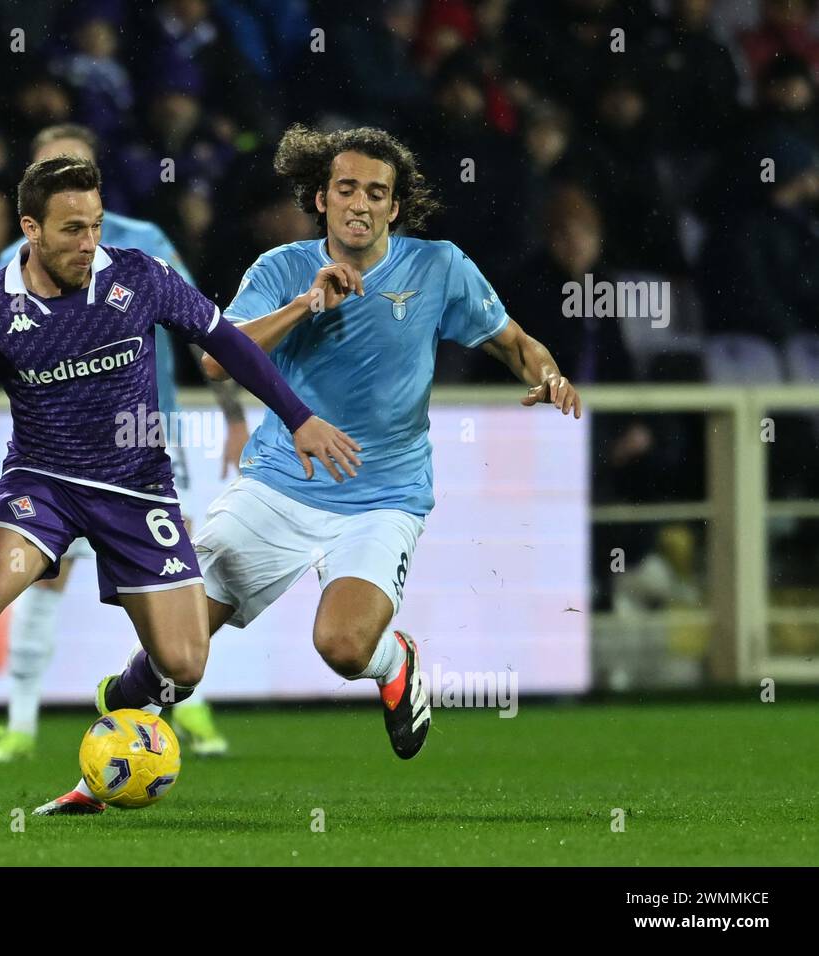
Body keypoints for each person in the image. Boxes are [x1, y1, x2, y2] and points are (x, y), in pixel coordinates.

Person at [37, 123, 582, 814]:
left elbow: (514, 342)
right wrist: (306, 305)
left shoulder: (438, 267)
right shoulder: (279, 270)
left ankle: (394, 660)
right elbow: (216, 358)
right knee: (178, 641)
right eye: (346, 188)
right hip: (276, 484)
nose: (360, 203)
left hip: (383, 496)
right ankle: (99, 776)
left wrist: (548, 374)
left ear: (395, 207)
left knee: (344, 647)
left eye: (376, 193)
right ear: (321, 198)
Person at [0, 156, 359, 825]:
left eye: (94, 225)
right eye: (71, 230)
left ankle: (120, 696)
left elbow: (224, 343)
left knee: (184, 666)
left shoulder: (139, 276)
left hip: (137, 487)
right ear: (30, 229)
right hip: (43, 484)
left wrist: (297, 418)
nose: (88, 243)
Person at [0, 124, 246, 764]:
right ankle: (19, 723)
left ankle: (188, 705)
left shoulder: (143, 242)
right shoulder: (13, 259)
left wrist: (234, 413)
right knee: (45, 579)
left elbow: (202, 328)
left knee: (177, 567)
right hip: (58, 449)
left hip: (147, 433)